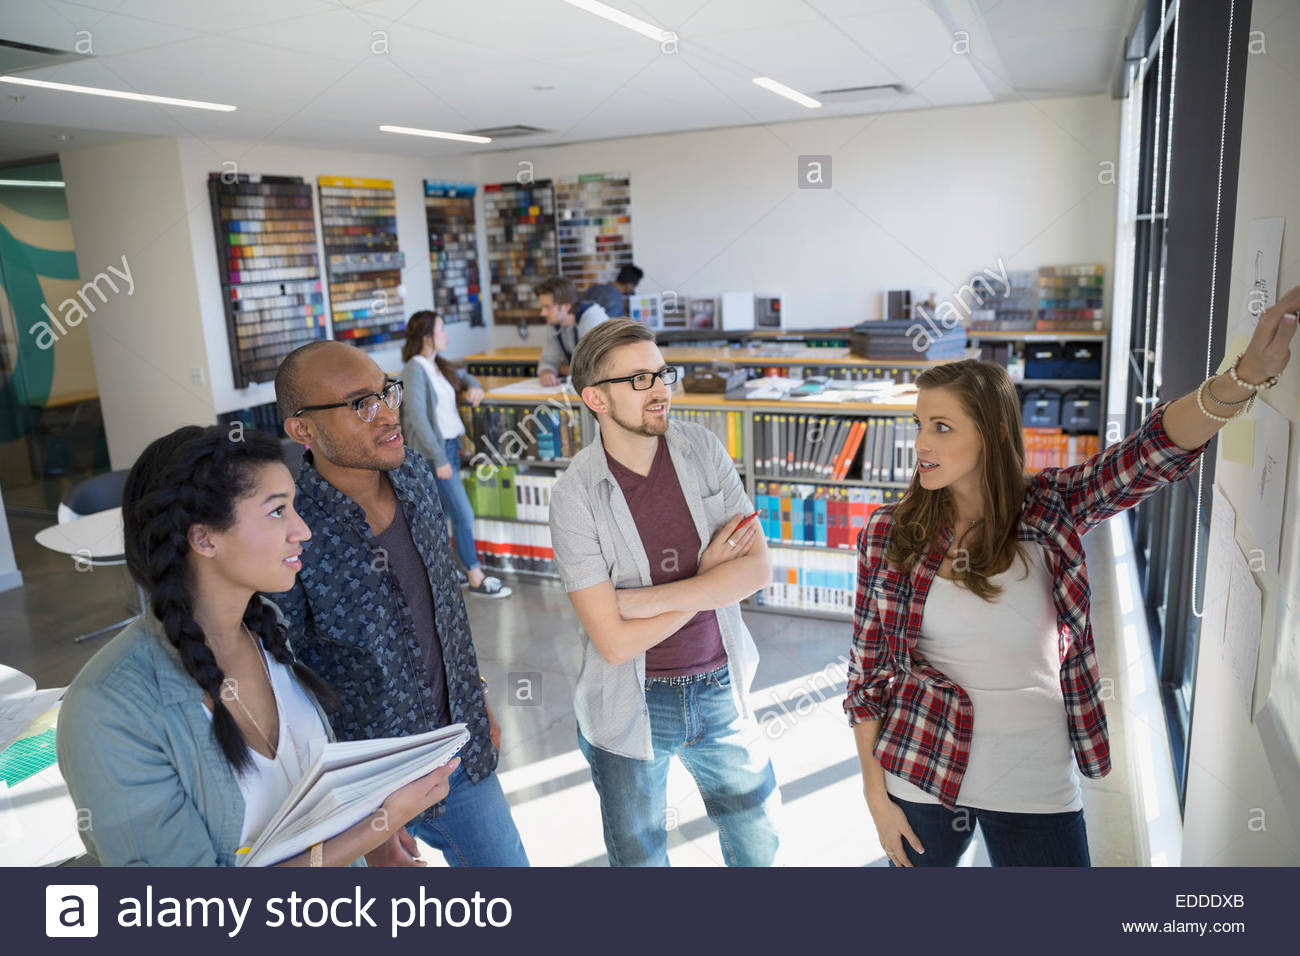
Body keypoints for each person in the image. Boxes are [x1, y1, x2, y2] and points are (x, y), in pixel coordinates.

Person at [846, 288, 1300, 868]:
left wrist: (1246, 375)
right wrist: (875, 798)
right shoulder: (890, 532)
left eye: (941, 427)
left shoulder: (1052, 505)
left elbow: (1153, 449)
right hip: (920, 768)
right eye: (919, 425)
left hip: (1035, 778)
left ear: (993, 435)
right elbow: (867, 678)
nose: (920, 445)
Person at [56, 425, 457, 866]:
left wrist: (377, 846)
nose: (302, 530)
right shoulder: (108, 709)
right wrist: (373, 826)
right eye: (276, 512)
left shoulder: (268, 628)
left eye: (294, 507)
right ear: (203, 538)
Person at [273, 341, 529, 866]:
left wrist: (474, 695)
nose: (388, 413)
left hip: (456, 748)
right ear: (302, 429)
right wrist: (372, 831)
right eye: (359, 404)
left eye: (386, 392)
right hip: (371, 782)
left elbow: (446, 613)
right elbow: (292, 685)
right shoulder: (292, 530)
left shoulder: (412, 474)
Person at [548, 318, 781, 866]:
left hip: (723, 686)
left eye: (662, 374)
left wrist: (644, 601)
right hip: (633, 703)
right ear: (595, 399)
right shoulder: (574, 496)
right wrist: (707, 580)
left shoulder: (700, 447)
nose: (660, 390)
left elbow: (757, 571)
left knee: (760, 846)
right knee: (641, 860)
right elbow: (614, 645)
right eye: (639, 380)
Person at [399, 309, 511, 598]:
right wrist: (438, 459)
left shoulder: (438, 366)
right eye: (441, 329)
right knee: (463, 512)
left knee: (445, 513)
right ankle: (475, 574)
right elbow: (416, 419)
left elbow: (464, 376)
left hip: (449, 447)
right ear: (427, 337)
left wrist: (473, 387)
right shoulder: (415, 368)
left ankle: (449, 571)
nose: (446, 334)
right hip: (433, 454)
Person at [536, 275, 611, 387]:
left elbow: (593, 370)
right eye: (542, 307)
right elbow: (548, 360)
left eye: (547, 307)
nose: (542, 313)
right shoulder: (554, 322)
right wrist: (547, 373)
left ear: (566, 306)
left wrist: (561, 368)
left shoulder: (592, 317)